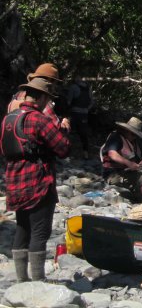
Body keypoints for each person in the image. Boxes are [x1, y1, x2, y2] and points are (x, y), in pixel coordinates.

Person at [4, 77, 71, 282]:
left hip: (14, 180)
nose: (48, 103)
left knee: (22, 229)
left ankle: (22, 281)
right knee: (40, 231)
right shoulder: (38, 119)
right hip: (38, 180)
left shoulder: (9, 119)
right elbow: (62, 148)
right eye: (47, 99)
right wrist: (64, 130)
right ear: (40, 97)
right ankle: (38, 281)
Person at [65, 80, 93, 159]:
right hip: (84, 114)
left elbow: (69, 101)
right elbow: (92, 102)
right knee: (83, 134)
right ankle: (85, 153)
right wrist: (87, 109)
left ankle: (67, 152)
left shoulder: (73, 87)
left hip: (74, 113)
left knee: (69, 131)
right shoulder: (88, 88)